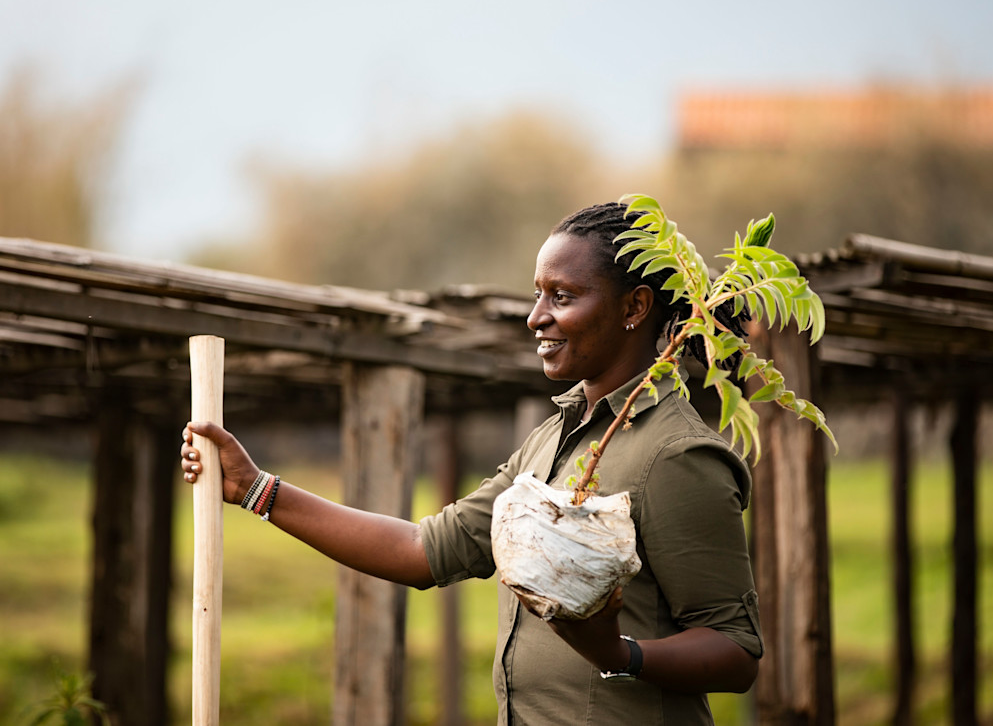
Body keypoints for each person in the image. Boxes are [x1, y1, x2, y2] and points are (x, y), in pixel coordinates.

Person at [181, 202, 763, 724]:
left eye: (561, 296)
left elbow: (734, 652)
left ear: (635, 307)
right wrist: (257, 489)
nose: (535, 317)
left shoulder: (675, 455)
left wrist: (617, 653)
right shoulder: (551, 441)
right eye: (538, 293)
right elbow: (423, 550)